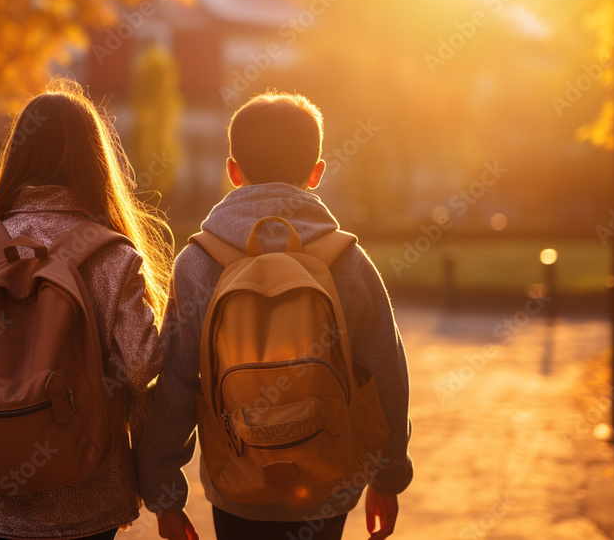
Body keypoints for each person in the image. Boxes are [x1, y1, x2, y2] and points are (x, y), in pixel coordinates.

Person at [0, 80, 172, 540]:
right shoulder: (112, 255)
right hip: (92, 488)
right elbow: (140, 367)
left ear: (17, 157)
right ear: (95, 162)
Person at [139, 92, 413, 540]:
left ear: (233, 171)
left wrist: (165, 495)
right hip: (329, 482)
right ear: (316, 173)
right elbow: (388, 374)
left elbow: (176, 383)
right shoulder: (346, 260)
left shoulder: (198, 262)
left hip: (236, 482)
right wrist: (388, 476)